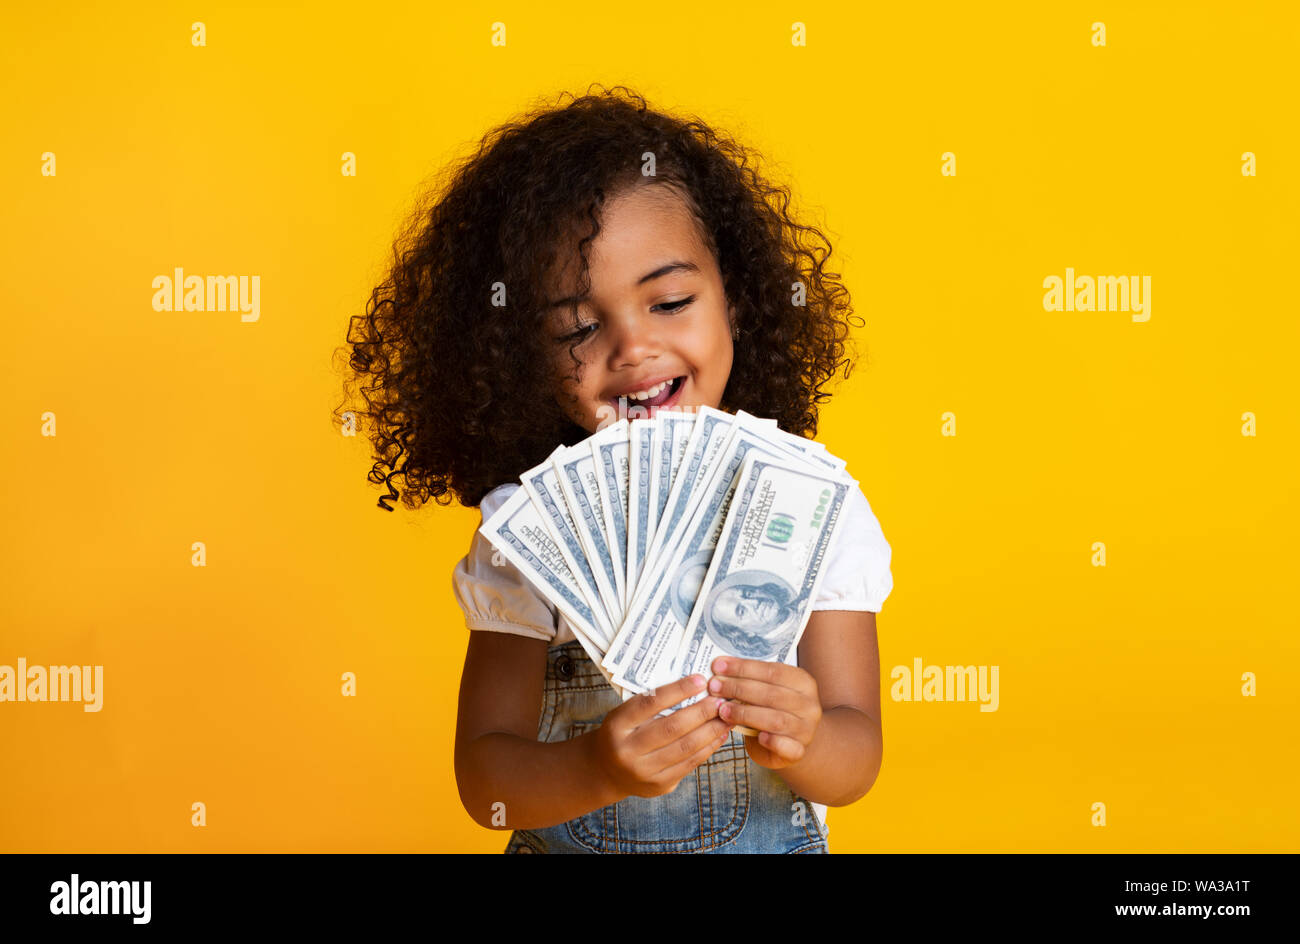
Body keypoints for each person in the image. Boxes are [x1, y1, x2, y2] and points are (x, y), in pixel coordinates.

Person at [337, 85, 894, 853]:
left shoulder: (811, 505)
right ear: (518, 359)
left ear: (734, 299)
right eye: (579, 327)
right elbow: (486, 784)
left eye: (669, 302)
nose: (632, 347)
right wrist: (597, 768)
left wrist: (807, 739)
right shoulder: (528, 534)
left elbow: (857, 758)